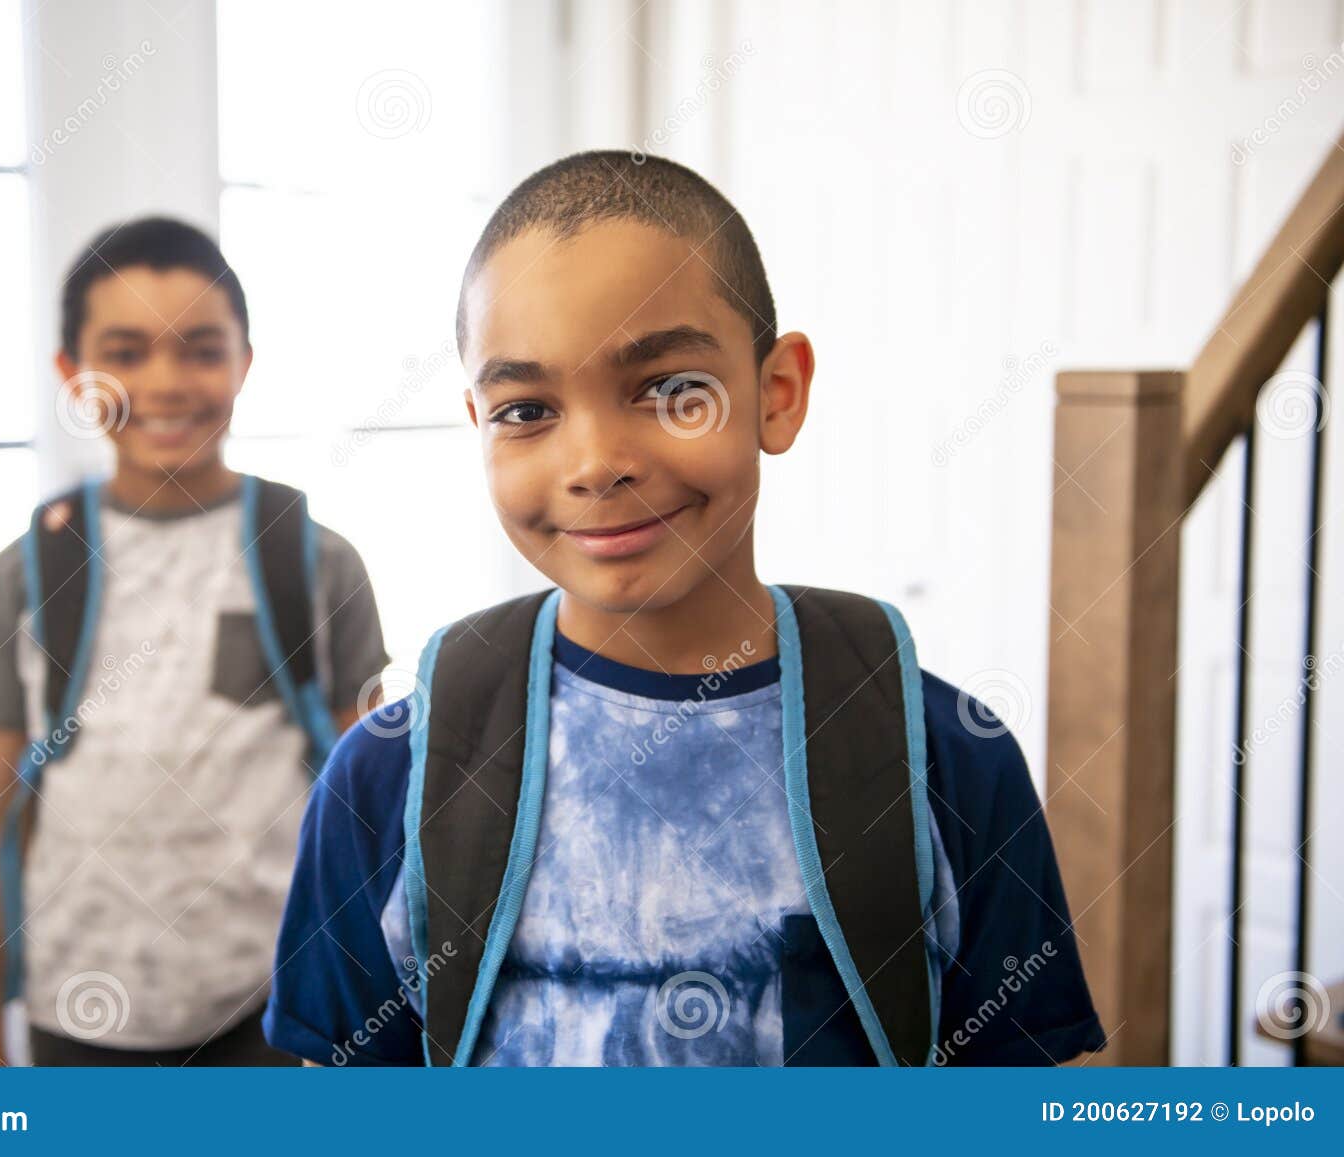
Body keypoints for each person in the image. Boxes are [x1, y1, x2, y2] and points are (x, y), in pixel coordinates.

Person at [266, 152, 1107, 1067]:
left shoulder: (944, 756)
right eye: (527, 410)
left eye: (671, 390)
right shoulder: (388, 780)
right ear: (479, 424)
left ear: (775, 395)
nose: (595, 462)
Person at [0, 217, 389, 1066]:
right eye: (125, 348)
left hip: (272, 1015)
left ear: (244, 362)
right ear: (72, 375)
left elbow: (358, 815)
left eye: (199, 348)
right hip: (75, 1022)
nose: (164, 380)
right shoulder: (24, 577)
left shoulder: (319, 564)